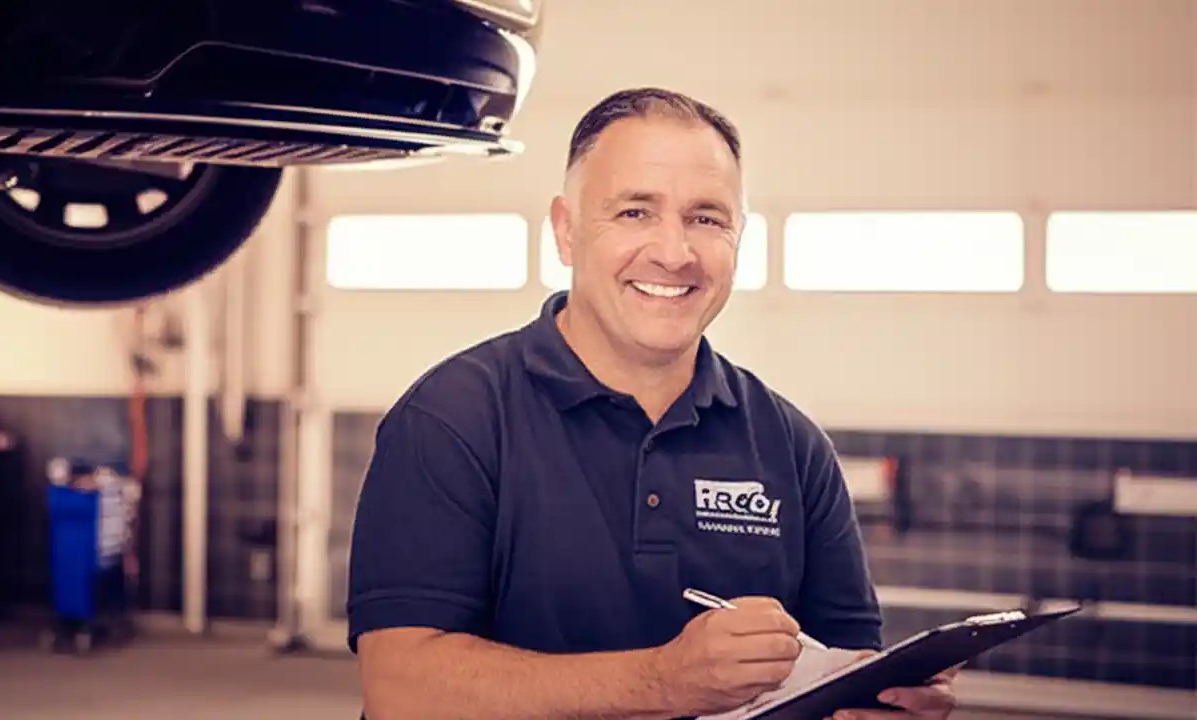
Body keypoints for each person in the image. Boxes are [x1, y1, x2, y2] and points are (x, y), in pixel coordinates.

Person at [346, 87, 958, 720]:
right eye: (636, 213)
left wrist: (879, 700)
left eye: (706, 218)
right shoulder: (453, 418)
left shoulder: (792, 446)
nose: (674, 252)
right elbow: (403, 688)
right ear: (566, 229)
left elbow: (844, 666)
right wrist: (663, 681)